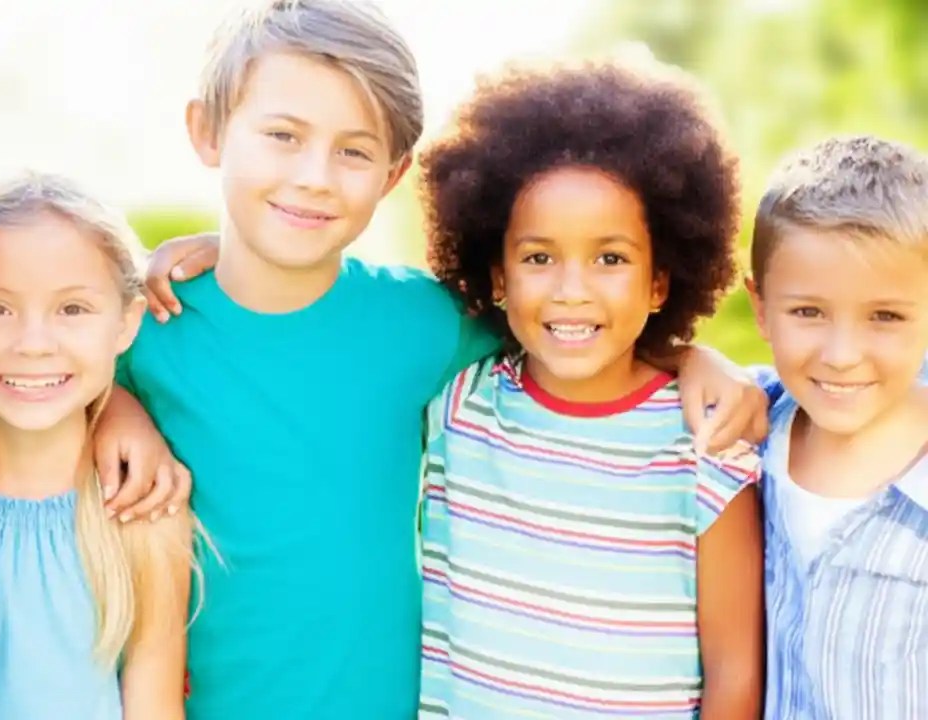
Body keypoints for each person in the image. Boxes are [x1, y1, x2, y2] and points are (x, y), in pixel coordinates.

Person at [119, 3, 768, 716]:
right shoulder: (139, 329)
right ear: (207, 133)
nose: (312, 177)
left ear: (394, 175)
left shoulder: (425, 324)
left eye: (353, 151)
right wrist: (117, 413)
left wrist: (688, 354)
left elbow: (573, 322)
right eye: (281, 136)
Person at [417, 58, 764, 718]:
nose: (571, 289)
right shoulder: (460, 403)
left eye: (610, 258)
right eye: (539, 257)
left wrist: (693, 357)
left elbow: (736, 676)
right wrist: (217, 255)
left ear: (659, 282)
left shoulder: (706, 447)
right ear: (498, 276)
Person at [0, 173, 197, 720]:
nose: (34, 344)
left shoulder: (144, 513)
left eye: (72, 309)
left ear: (126, 325)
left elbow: (154, 707)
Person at [747, 135, 928, 720]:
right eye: (807, 312)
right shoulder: (746, 432)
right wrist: (693, 360)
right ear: (760, 309)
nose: (842, 354)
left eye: (885, 317)